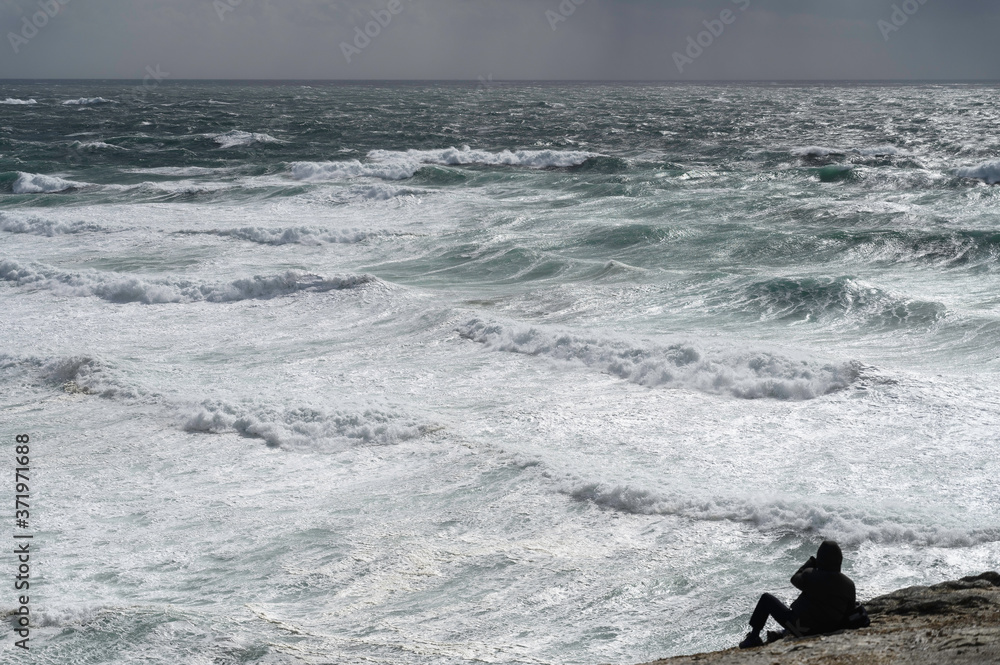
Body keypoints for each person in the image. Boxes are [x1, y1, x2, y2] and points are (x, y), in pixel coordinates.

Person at [739, 540, 856, 649]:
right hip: (831, 629)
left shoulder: (811, 575)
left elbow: (795, 578)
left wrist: (810, 563)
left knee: (766, 599)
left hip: (802, 629)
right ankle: (783, 632)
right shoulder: (849, 585)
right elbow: (850, 612)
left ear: (820, 559)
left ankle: (753, 638)